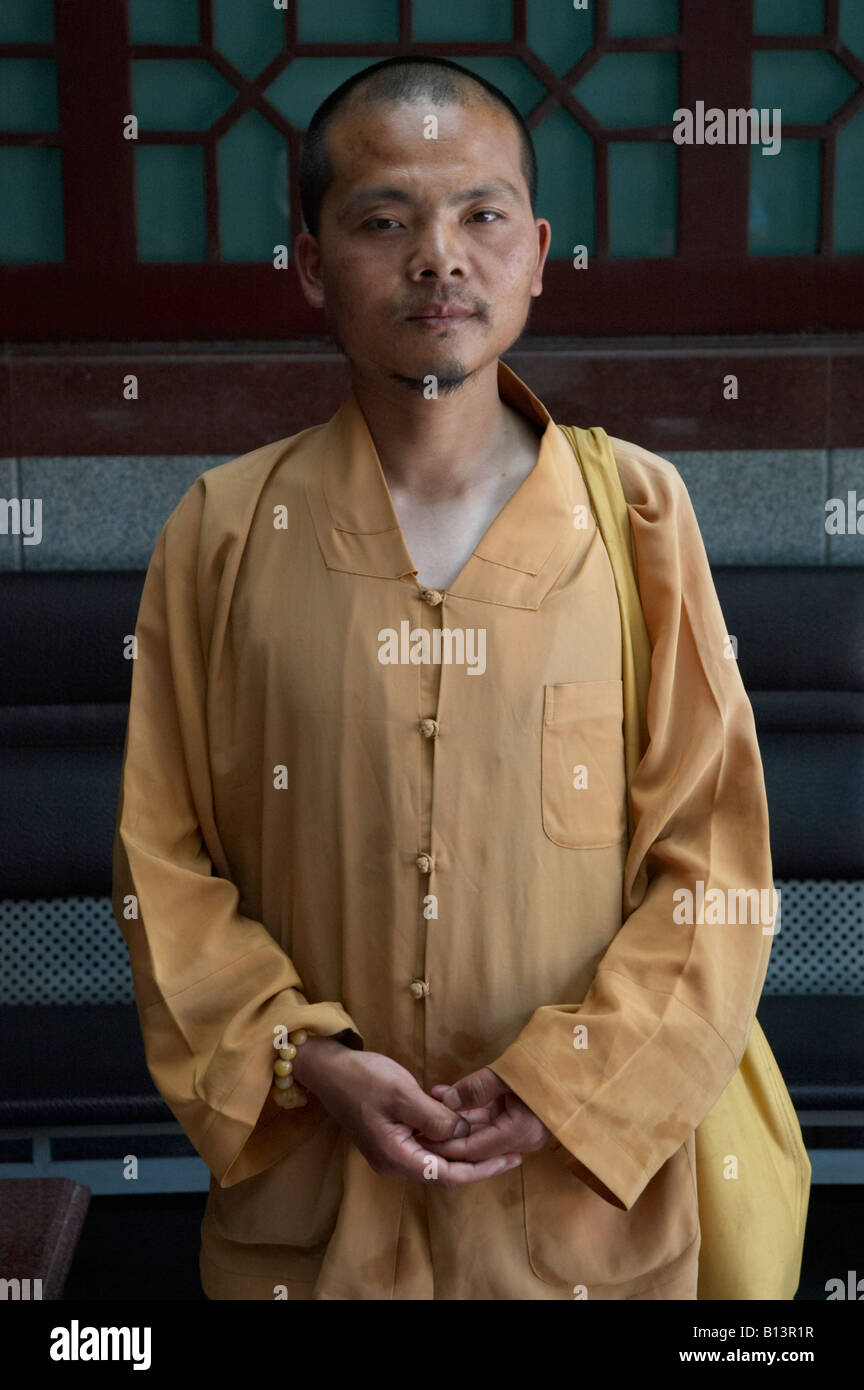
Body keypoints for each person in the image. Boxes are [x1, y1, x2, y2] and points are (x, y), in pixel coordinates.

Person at [112, 56, 776, 1301]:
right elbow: (163, 861)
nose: (437, 255)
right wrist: (298, 1059)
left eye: (478, 216)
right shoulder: (221, 529)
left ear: (534, 253)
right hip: (313, 1217)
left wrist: (570, 1076)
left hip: (585, 1214)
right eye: (383, 219)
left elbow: (715, 862)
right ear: (312, 264)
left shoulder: (637, 514)